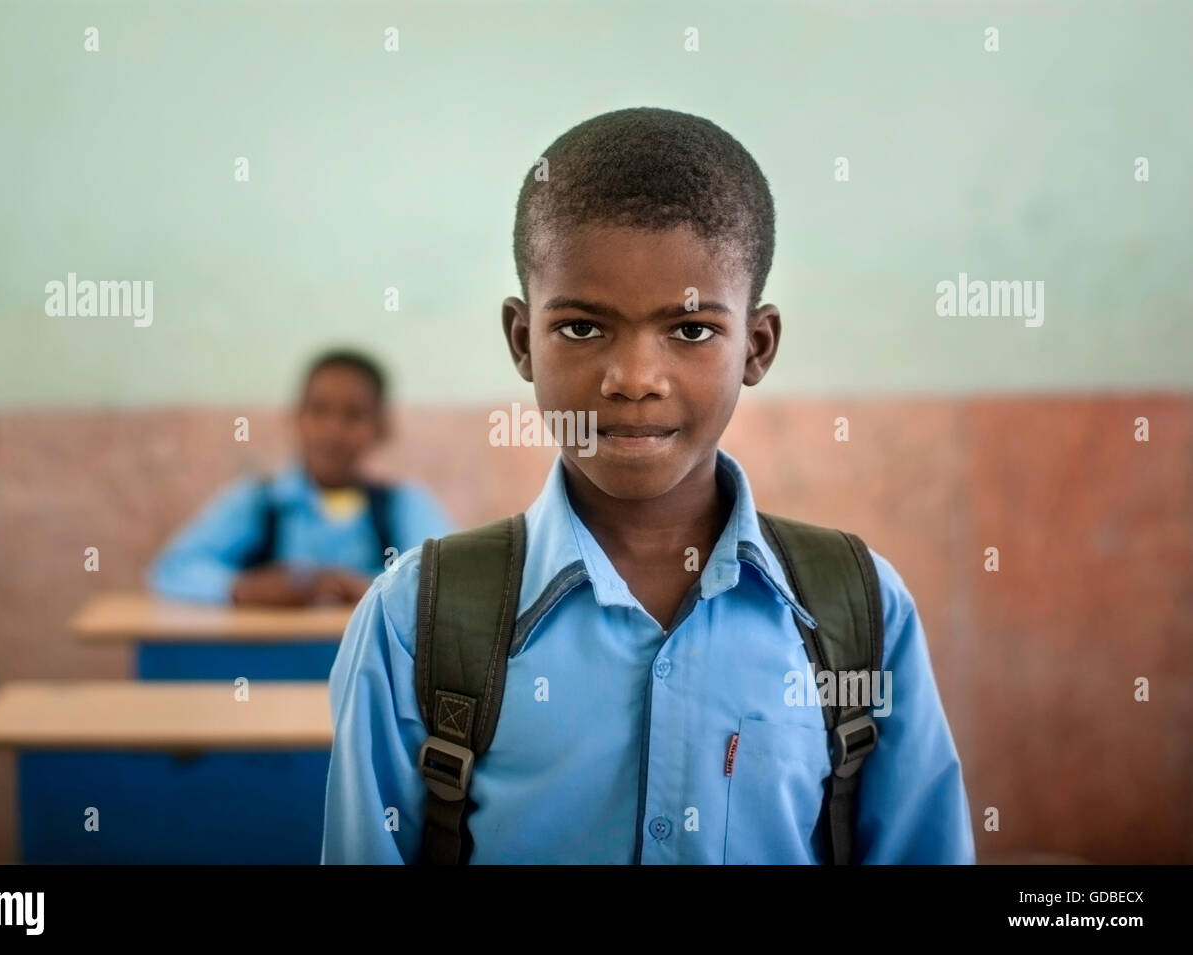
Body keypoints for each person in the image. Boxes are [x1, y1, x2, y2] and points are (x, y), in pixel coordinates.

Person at [321, 108, 975, 863]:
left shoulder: (858, 613)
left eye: (691, 331)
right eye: (582, 327)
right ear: (520, 338)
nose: (633, 379)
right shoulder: (414, 624)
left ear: (756, 347)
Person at [148, 349, 454, 606]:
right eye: (318, 410)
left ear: (381, 428)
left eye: (353, 415)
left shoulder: (403, 505)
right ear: (296, 417)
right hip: (267, 671)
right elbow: (173, 570)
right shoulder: (259, 502)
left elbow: (448, 581)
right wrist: (243, 588)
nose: (333, 431)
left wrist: (368, 589)